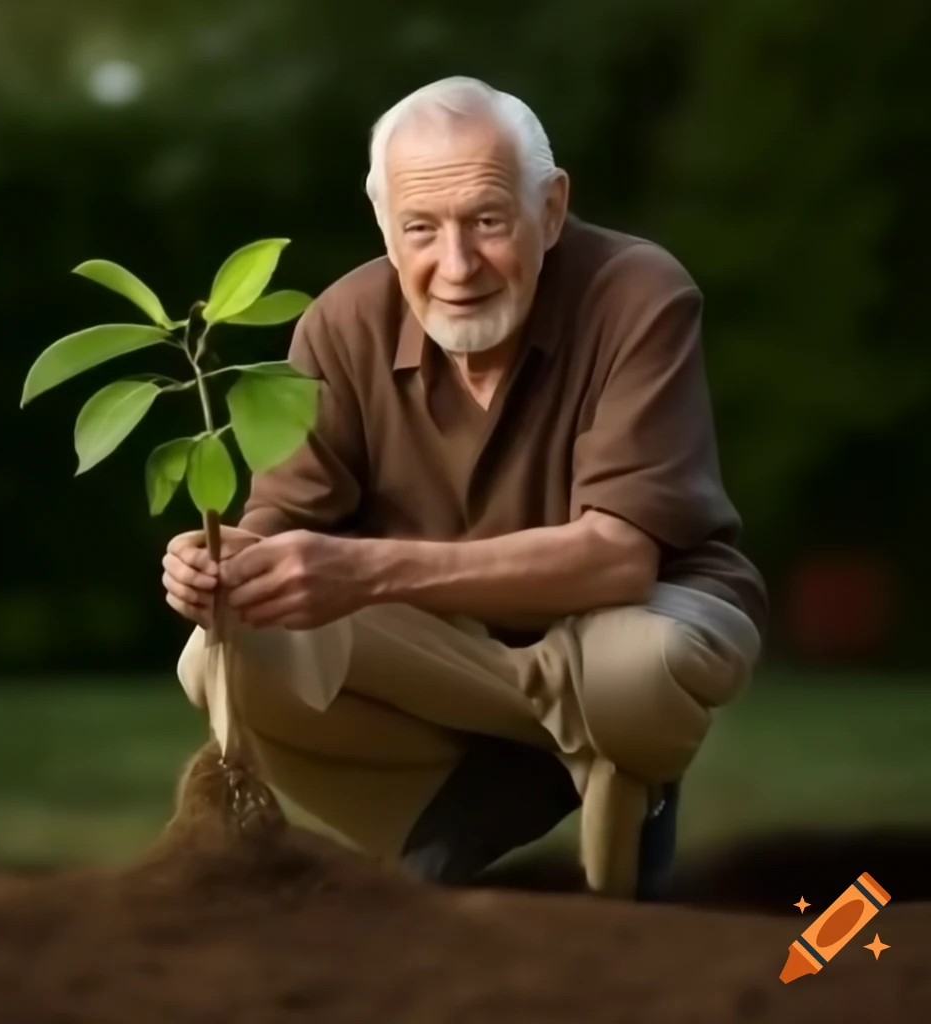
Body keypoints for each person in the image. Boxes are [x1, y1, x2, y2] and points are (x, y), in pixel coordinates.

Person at [163, 76, 766, 899]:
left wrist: (368, 571)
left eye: (488, 220)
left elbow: (619, 560)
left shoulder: (638, 292)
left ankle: (516, 787)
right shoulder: (340, 326)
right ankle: (535, 776)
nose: (456, 265)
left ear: (550, 209)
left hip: (640, 613)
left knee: (633, 673)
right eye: (420, 228)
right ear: (384, 227)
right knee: (221, 654)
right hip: (456, 649)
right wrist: (222, 563)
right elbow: (277, 529)